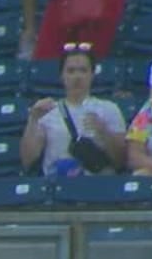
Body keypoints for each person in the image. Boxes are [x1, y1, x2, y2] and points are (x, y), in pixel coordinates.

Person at [20, 43, 127, 178]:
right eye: (71, 71)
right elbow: (28, 161)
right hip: (58, 181)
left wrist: (104, 132)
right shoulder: (47, 111)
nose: (77, 76)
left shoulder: (109, 109)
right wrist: (33, 120)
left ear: (92, 74)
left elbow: (120, 161)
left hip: (96, 182)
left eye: (83, 70)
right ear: (62, 75)